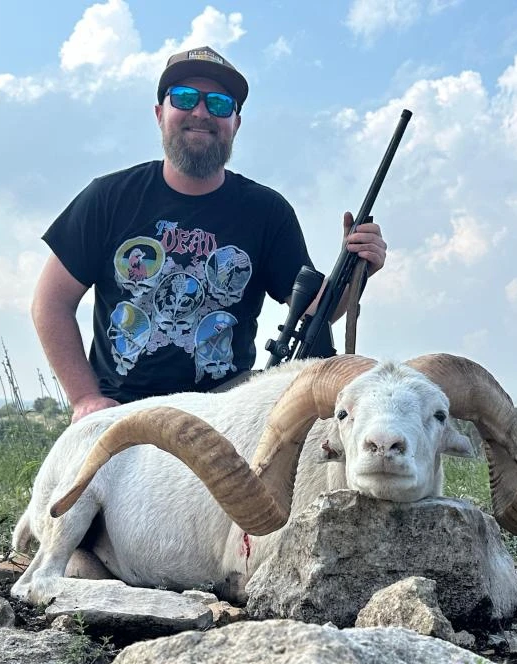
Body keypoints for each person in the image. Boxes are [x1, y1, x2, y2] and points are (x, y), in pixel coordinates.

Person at [32, 46, 387, 423]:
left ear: (235, 123)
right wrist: (86, 399)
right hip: (121, 414)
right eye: (184, 98)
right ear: (159, 114)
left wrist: (356, 270)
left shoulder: (266, 211)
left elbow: (317, 313)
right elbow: (50, 303)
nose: (201, 112)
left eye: (219, 104)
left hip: (226, 417)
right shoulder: (107, 198)